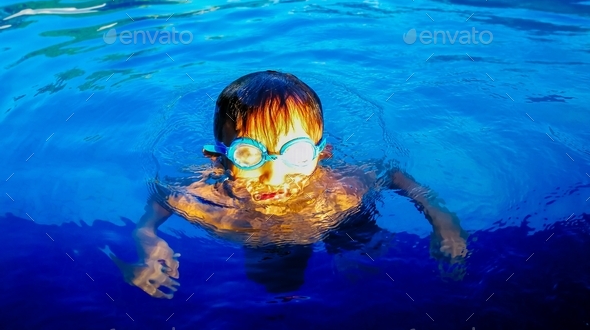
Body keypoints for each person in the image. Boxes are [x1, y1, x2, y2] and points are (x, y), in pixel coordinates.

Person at [105, 70, 468, 298]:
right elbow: (161, 199)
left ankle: (344, 250)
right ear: (219, 155)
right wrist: (147, 239)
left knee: (366, 259)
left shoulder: (341, 189)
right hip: (254, 234)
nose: (274, 176)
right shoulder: (204, 198)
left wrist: (442, 219)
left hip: (335, 218)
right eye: (249, 155)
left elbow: (391, 173)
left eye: (295, 156)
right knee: (268, 275)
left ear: (321, 154)